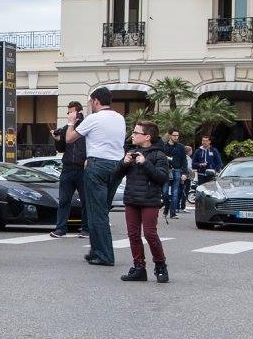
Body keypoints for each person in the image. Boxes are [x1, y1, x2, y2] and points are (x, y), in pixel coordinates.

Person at [67, 86, 126, 267]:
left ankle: (104, 255)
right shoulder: (120, 118)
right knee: (101, 209)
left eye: (91, 102)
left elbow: (69, 139)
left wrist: (71, 122)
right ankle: (95, 250)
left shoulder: (94, 118)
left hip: (98, 165)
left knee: (96, 212)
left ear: (96, 101)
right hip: (117, 165)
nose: (90, 105)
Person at [115, 120, 171, 283]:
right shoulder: (131, 151)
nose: (132, 135)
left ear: (147, 137)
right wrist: (124, 163)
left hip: (149, 200)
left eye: (136, 132)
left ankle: (160, 266)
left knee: (149, 233)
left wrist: (145, 163)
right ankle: (139, 267)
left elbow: (162, 178)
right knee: (133, 234)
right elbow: (116, 174)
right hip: (132, 198)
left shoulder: (158, 155)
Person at [50, 101, 88, 238]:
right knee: (64, 200)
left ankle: (86, 229)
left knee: (86, 200)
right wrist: (57, 138)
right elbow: (61, 148)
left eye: (71, 112)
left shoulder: (86, 125)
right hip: (67, 168)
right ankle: (60, 228)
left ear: (78, 112)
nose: (69, 114)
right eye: (68, 112)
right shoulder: (67, 127)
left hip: (82, 168)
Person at [160, 129, 189, 220]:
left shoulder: (180, 147)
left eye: (177, 136)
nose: (176, 137)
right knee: (164, 192)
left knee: (175, 192)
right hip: (166, 170)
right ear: (169, 135)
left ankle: (173, 213)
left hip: (177, 171)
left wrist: (185, 173)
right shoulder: (163, 146)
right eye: (174, 135)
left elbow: (184, 161)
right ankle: (167, 206)